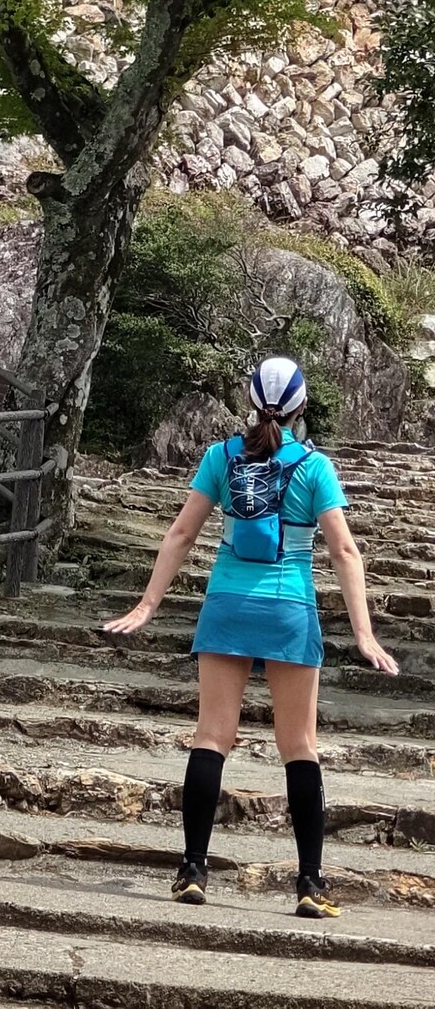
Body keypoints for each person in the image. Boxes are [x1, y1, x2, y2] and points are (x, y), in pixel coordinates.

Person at [104, 356, 399, 921]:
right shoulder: (315, 466)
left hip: (228, 606)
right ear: (302, 405)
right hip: (289, 609)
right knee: (300, 747)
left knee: (212, 737)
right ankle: (309, 884)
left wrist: (147, 606)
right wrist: (364, 634)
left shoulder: (221, 457)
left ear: (249, 400)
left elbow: (181, 533)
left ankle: (193, 871)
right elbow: (344, 551)